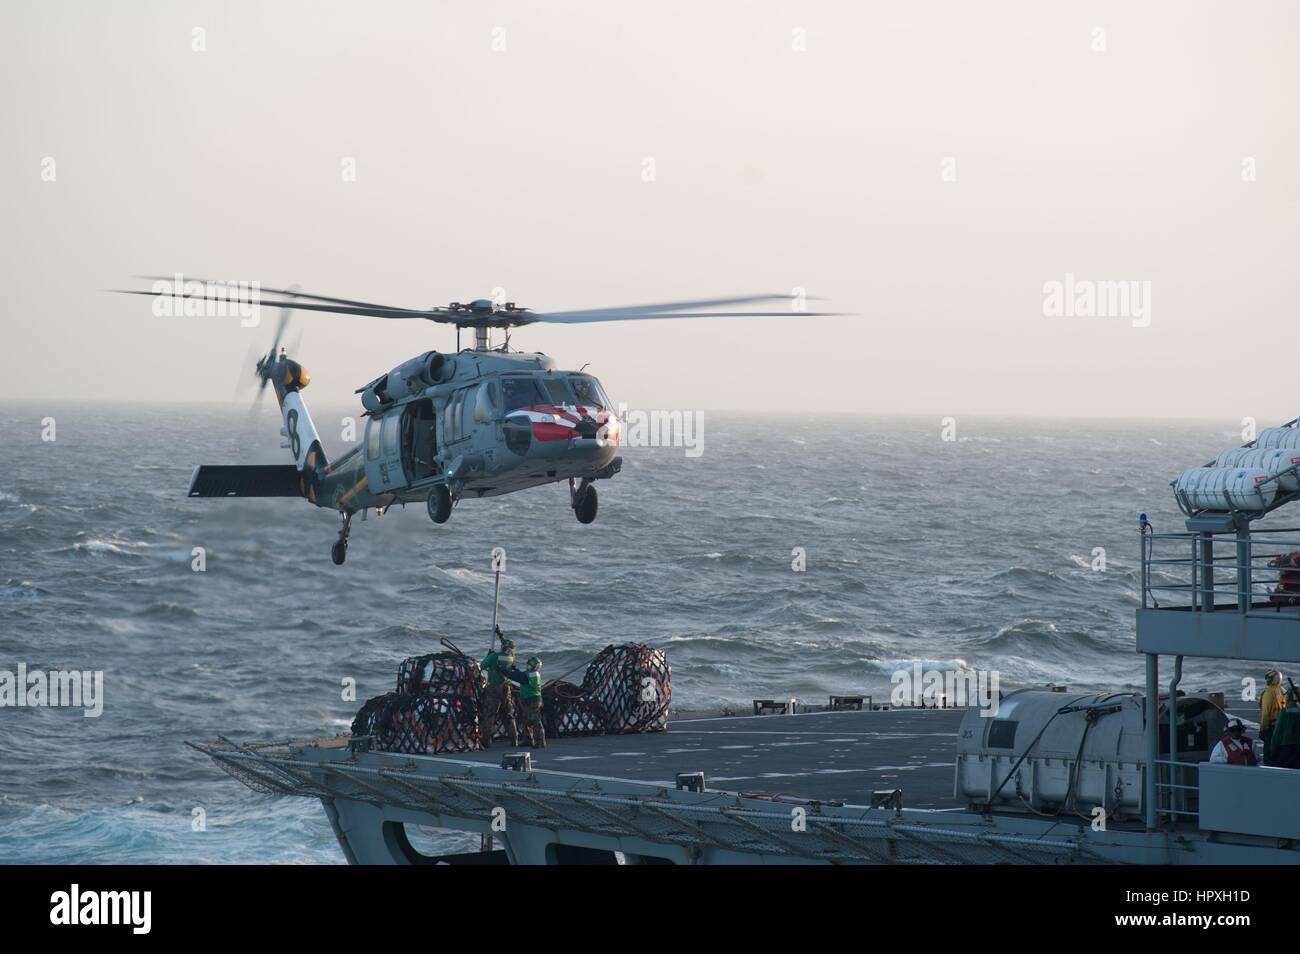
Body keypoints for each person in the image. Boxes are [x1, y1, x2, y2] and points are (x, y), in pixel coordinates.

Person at [479, 637, 518, 749]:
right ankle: (514, 739)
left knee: (489, 713)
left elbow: (482, 666)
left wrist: (488, 656)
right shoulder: (511, 658)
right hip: (507, 687)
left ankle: (486, 740)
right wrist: (501, 635)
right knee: (508, 713)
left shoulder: (494, 657)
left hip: (494, 687)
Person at [515, 656, 546, 748]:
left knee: (535, 720)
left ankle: (540, 741)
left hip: (533, 699)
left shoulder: (533, 674)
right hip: (528, 698)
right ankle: (528, 739)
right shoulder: (529, 673)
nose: (527, 666)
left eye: (529, 664)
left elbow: (531, 684)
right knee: (526, 720)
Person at [1259, 669, 1286, 759]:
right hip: (1283, 727)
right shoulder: (1284, 691)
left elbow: (1266, 713)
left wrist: (1262, 729)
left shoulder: (1268, 692)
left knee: (1269, 754)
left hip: (1271, 727)